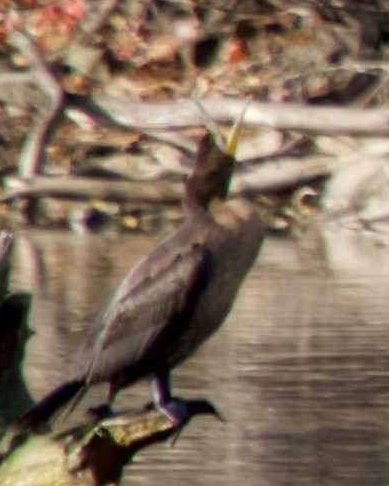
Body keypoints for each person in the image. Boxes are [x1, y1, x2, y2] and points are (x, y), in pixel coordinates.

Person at [52, 134, 271, 424]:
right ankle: (162, 397)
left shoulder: (216, 236)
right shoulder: (197, 252)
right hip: (104, 356)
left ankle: (163, 396)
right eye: (218, 171)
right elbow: (160, 330)